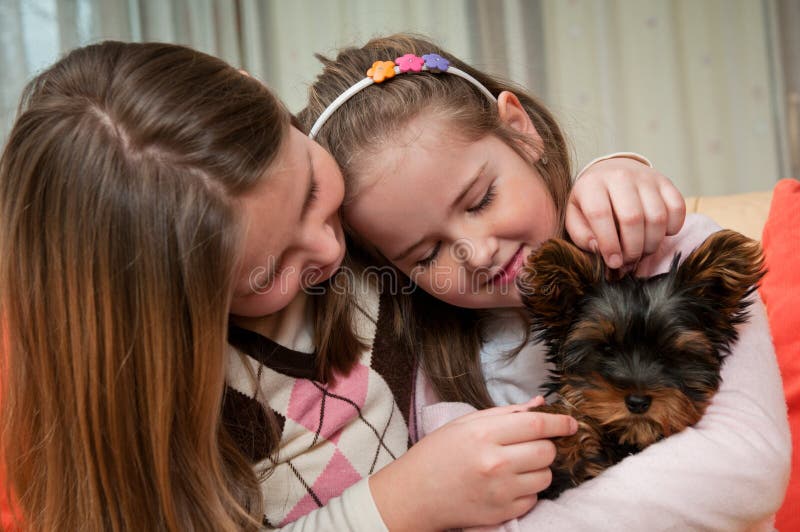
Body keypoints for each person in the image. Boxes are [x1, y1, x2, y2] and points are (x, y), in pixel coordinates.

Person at [0, 40, 588, 532]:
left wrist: (611, 177)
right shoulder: (178, 400)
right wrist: (395, 506)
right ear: (167, 310)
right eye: (267, 270)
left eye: (310, 189)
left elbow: (480, 195)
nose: (331, 250)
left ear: (252, 85)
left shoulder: (374, 234)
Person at [299, 33, 792, 530]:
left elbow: (748, 467)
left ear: (520, 129)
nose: (477, 251)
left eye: (480, 200)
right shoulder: (428, 357)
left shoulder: (671, 246)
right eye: (426, 253)